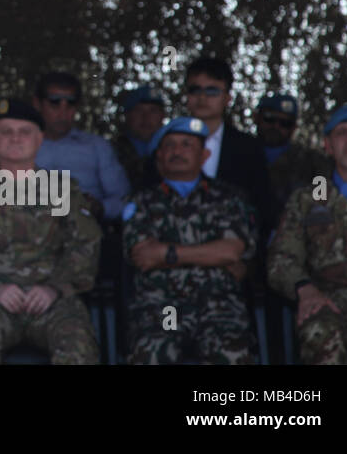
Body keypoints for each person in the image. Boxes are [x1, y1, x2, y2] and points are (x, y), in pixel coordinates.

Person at [0, 98, 101, 364]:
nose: (15, 139)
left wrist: (54, 288)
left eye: (24, 132)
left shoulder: (61, 189)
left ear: (40, 139)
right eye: (6, 132)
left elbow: (86, 245)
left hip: (54, 302)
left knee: (78, 345)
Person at [123, 115, 257, 364]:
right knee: (155, 350)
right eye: (170, 145)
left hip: (218, 306)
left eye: (187, 145)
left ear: (204, 155)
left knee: (232, 353)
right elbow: (143, 256)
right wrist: (210, 255)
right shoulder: (142, 202)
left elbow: (231, 251)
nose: (178, 151)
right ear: (159, 157)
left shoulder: (229, 198)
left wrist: (167, 253)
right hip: (165, 306)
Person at [268, 103, 347, 364]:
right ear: (328, 145)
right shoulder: (310, 197)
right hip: (328, 303)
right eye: (342, 132)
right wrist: (305, 290)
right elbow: (281, 259)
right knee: (319, 333)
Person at [180, 57, 275, 240]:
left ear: (227, 98)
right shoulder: (166, 145)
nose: (202, 98)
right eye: (195, 90)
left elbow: (262, 208)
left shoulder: (249, 148)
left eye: (212, 91)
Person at [33, 71, 130, 221]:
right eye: (54, 102)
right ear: (38, 104)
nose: (63, 112)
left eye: (70, 103)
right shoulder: (19, 144)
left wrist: (101, 208)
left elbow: (124, 200)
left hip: (86, 229)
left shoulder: (97, 147)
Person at [256, 92, 329, 217]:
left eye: (285, 123)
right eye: (269, 119)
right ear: (256, 118)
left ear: (294, 127)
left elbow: (320, 202)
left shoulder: (314, 163)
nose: (276, 126)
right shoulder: (238, 153)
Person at [113, 84, 166, 190]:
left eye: (153, 110)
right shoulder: (110, 151)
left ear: (162, 116)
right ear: (127, 116)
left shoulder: (174, 150)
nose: (146, 117)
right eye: (138, 110)